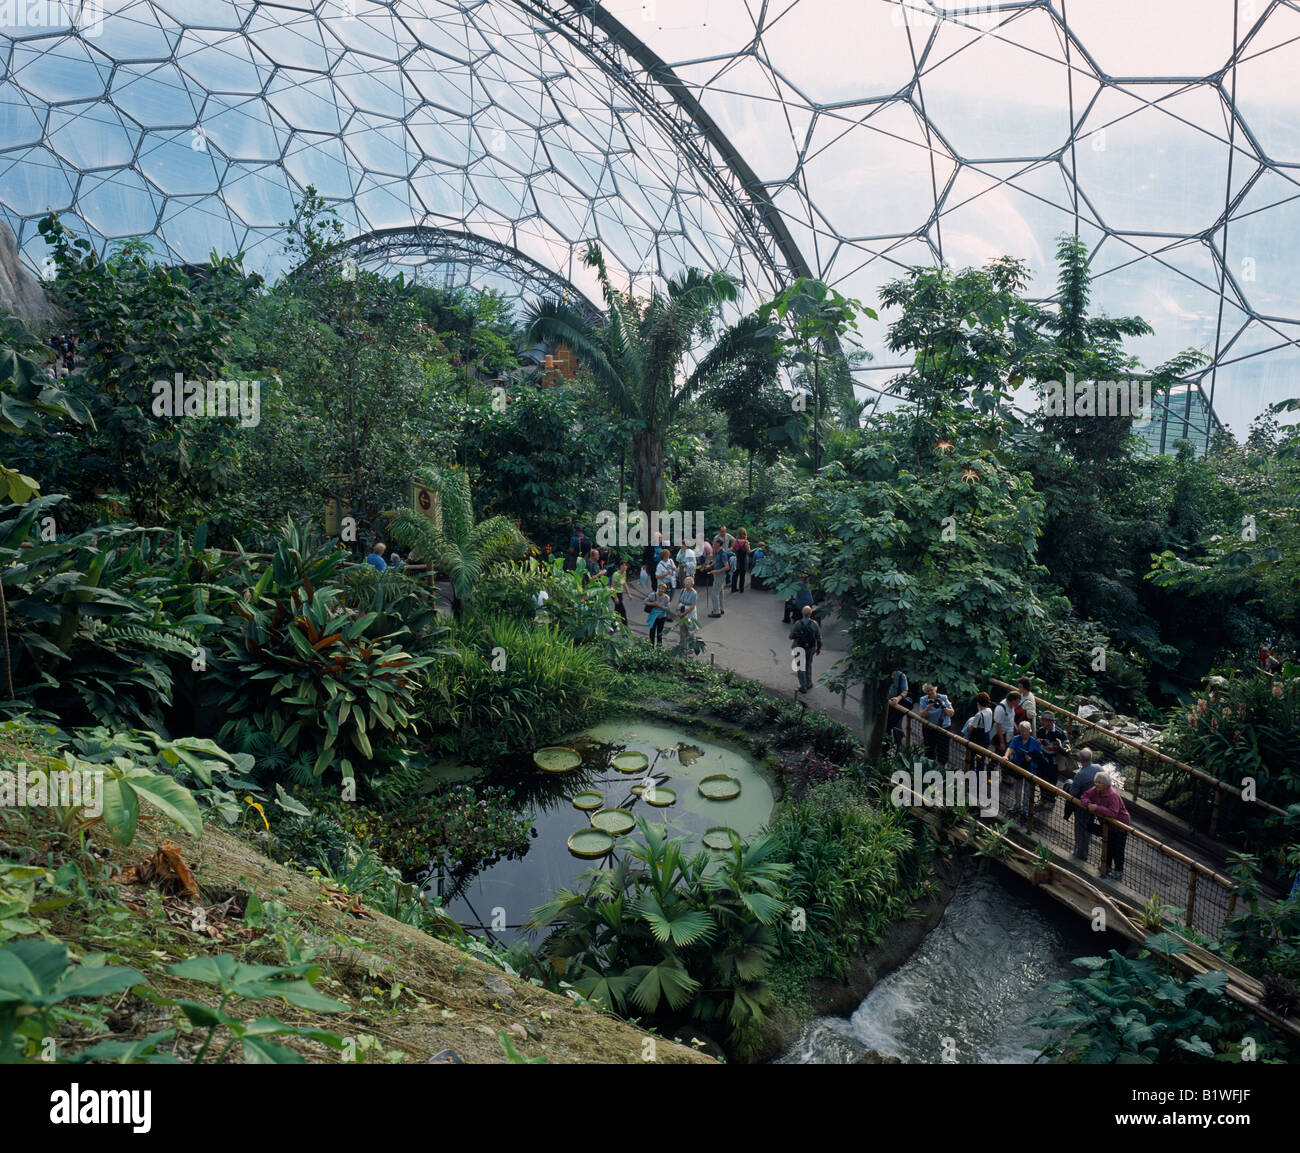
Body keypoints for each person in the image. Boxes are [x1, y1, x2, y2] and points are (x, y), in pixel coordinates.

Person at [1081, 772, 1131, 880]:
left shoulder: (1112, 795)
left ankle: (1118, 871)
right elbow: (1084, 796)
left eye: (1099, 782)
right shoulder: (1095, 790)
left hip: (1120, 826)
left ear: (1106, 785)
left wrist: (1097, 808)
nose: (1096, 784)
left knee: (1118, 849)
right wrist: (1088, 804)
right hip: (1107, 824)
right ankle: (1106, 867)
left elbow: (1113, 813)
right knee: (1107, 845)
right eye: (1096, 782)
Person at [1007, 721, 1045, 819]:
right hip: (1018, 765)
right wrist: (1006, 756)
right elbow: (1011, 748)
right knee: (1017, 787)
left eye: (1026, 731)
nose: (1024, 733)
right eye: (1022, 731)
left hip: (1029, 768)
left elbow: (1039, 756)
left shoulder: (1034, 742)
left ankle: (1025, 809)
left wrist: (1031, 758)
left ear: (1029, 731)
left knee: (1028, 790)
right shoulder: (1016, 739)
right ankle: (1016, 805)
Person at [1068, 748, 1101, 861]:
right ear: (1091, 758)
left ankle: (1079, 852)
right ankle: (1084, 852)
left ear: (1081, 760)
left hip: (1082, 806)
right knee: (1088, 828)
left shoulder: (1080, 775)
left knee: (1080, 829)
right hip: (1096, 804)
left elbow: (1073, 792)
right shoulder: (1099, 768)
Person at [1036, 714, 1070, 812]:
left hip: (1054, 762)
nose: (1042, 722)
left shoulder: (1060, 733)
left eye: (1044, 720)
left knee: (1051, 781)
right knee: (1041, 778)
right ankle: (1043, 798)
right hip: (1042, 759)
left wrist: (1056, 748)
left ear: (1051, 722)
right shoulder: (1041, 730)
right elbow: (1037, 739)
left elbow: (1067, 748)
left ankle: (1051, 801)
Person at [918, 683, 954, 763]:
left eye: (931, 690)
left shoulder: (943, 698)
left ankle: (943, 768)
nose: (930, 692)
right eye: (927, 691)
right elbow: (921, 715)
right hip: (929, 728)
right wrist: (927, 708)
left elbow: (952, 713)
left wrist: (944, 707)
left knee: (943, 750)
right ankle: (929, 768)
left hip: (943, 728)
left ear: (935, 688)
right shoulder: (923, 699)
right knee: (929, 749)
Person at [789, 604, 821, 694]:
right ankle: (809, 683)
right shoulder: (814, 624)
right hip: (811, 648)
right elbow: (819, 638)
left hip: (799, 647)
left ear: (802, 613)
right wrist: (818, 648)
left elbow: (790, 636)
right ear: (811, 614)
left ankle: (803, 686)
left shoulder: (798, 623)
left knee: (800, 666)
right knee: (808, 664)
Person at [961, 691, 994, 777]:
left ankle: (970, 775)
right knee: (981, 758)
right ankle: (979, 777)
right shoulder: (989, 710)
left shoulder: (979, 715)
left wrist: (968, 725)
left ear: (978, 702)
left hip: (977, 738)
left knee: (971, 757)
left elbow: (971, 728)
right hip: (986, 736)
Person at [992, 688, 1020, 758]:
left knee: (1002, 754)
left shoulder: (1012, 705)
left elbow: (1010, 718)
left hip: (1009, 735)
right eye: (1018, 701)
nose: (1018, 704)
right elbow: (998, 726)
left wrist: (1015, 726)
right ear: (1013, 701)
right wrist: (1002, 742)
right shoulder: (1001, 709)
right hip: (1002, 735)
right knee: (1002, 755)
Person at [645, 583, 673, 647]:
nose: (661, 590)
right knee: (652, 633)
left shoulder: (666, 598)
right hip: (653, 617)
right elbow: (645, 602)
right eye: (660, 588)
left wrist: (660, 606)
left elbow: (668, 609)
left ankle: (659, 647)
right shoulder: (653, 595)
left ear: (665, 590)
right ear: (658, 588)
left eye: (663, 589)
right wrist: (653, 604)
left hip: (662, 617)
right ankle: (651, 646)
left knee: (659, 634)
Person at [677, 576, 699, 652]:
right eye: (686, 582)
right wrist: (678, 611)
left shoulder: (694, 593)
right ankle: (682, 646)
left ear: (692, 584)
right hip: (682, 610)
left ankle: (691, 647)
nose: (687, 584)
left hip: (690, 613)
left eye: (689, 582)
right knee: (682, 629)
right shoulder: (682, 591)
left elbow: (692, 606)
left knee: (690, 630)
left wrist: (683, 613)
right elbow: (678, 601)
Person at [707, 545, 729, 617]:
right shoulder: (718, 552)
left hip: (720, 575)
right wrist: (710, 566)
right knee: (720, 592)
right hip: (717, 575)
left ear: (718, 544)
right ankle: (721, 609)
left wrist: (716, 571)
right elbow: (716, 561)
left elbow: (727, 567)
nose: (713, 545)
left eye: (714, 543)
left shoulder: (723, 553)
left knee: (714, 593)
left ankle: (716, 612)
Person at [610, 560, 629, 625]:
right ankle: (625, 628)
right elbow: (612, 587)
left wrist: (629, 594)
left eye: (625, 565)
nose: (624, 567)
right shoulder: (616, 574)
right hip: (615, 593)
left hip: (620, 594)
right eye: (622, 565)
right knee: (623, 611)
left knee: (617, 611)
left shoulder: (624, 573)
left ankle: (613, 625)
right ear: (619, 566)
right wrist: (615, 597)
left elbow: (624, 583)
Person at [732, 529, 750, 593]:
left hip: (737, 559)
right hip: (744, 560)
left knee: (735, 574)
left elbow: (733, 549)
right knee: (742, 575)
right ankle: (741, 589)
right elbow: (748, 552)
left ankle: (733, 588)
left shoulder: (735, 541)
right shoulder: (746, 542)